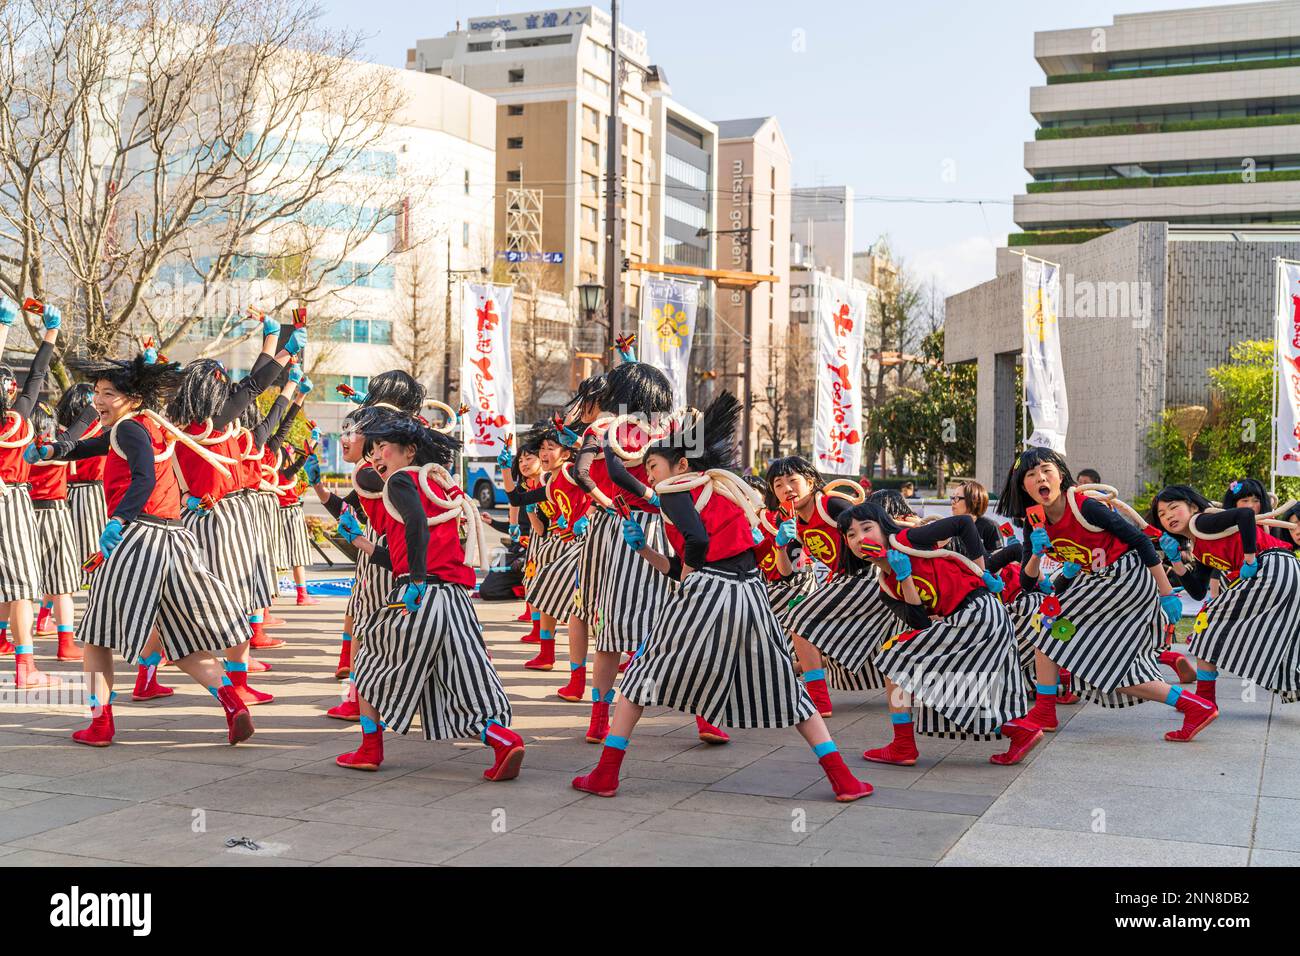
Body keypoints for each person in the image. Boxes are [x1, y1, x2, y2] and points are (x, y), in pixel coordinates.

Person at [572, 393, 873, 802]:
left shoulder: (679, 491)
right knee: (788, 688)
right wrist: (644, 549)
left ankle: (606, 776)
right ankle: (842, 780)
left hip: (709, 593)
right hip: (749, 595)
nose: (650, 476)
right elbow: (681, 565)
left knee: (639, 680)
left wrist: (608, 439)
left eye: (654, 467)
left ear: (681, 465)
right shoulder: (719, 492)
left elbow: (693, 550)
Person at [36, 355, 257, 746]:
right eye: (98, 393)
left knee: (98, 638)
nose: (98, 401)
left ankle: (100, 722)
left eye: (108, 394)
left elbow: (143, 479)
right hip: (174, 540)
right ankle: (233, 704)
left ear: (133, 397)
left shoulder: (131, 430)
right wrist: (51, 452)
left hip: (138, 539)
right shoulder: (144, 427)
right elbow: (87, 447)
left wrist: (118, 521)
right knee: (182, 639)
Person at [333, 414, 524, 780]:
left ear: (409, 451)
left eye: (381, 448)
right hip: (455, 600)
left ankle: (369, 748)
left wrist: (417, 581)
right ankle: (502, 739)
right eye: (371, 449)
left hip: (420, 597)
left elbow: (416, 529)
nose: (374, 456)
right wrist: (360, 540)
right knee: (460, 679)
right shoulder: (436, 486)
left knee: (370, 661)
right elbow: (406, 551)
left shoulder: (401, 481)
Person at [997, 447, 1217, 742]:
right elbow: (1027, 580)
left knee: (1053, 633)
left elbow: (1140, 540)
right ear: (1022, 485)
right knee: (1060, 640)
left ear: (1061, 475)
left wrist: (1167, 593)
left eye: (1046, 470)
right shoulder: (1035, 521)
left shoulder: (1083, 506)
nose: (1040, 478)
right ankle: (1194, 705)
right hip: (1099, 580)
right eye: (1031, 475)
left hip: (1124, 577)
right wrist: (1036, 554)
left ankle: (1046, 709)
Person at [836, 502, 1041, 766]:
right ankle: (1017, 730)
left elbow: (963, 523)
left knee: (893, 657)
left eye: (867, 528)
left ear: (883, 526)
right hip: (967, 621)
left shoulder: (906, 539)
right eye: (851, 535)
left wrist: (982, 571)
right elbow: (920, 624)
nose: (861, 538)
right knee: (942, 681)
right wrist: (905, 578)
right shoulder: (886, 587)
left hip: (977, 614)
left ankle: (903, 745)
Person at [1149, 485, 1300, 710]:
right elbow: (1198, 591)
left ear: (1192, 506)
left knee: (1206, 625)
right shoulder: (1199, 545)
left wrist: (1249, 559)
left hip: (1272, 567)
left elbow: (1246, 514)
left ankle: (1204, 703)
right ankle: (1205, 701)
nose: (1168, 515)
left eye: (1174, 508)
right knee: (1267, 641)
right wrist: (1176, 560)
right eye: (1162, 514)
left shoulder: (1199, 522)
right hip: (1284, 571)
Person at [0, 297, 61, 687]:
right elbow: (38, 374)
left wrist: (4, 327)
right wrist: (51, 332)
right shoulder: (18, 419)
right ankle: (26, 667)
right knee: (20, 583)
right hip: (13, 500)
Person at [947, 480, 1002, 555]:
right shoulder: (949, 526)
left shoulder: (990, 527)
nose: (952, 502)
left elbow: (998, 557)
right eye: (952, 497)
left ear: (974, 501)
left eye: (957, 498)